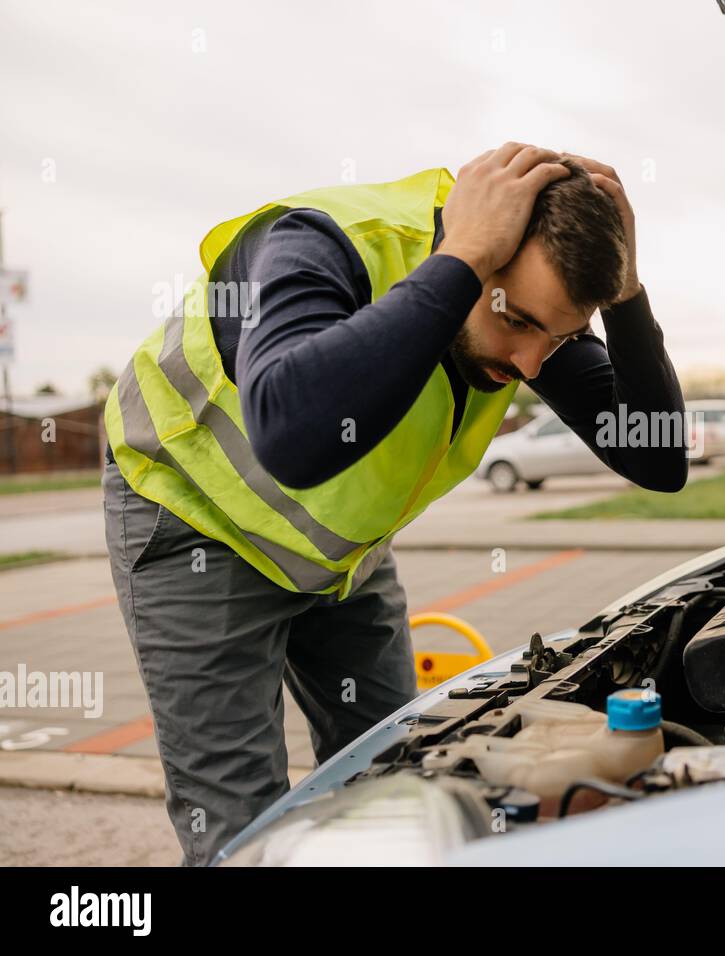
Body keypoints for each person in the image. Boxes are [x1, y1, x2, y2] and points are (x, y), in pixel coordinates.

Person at [101, 142, 688, 865]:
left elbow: (656, 457)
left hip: (342, 554)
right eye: (523, 324)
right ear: (475, 248)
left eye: (560, 336)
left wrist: (626, 295)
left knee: (396, 779)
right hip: (194, 525)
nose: (533, 364)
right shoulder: (316, 243)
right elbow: (295, 436)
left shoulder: (519, 306)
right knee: (239, 828)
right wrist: (461, 262)